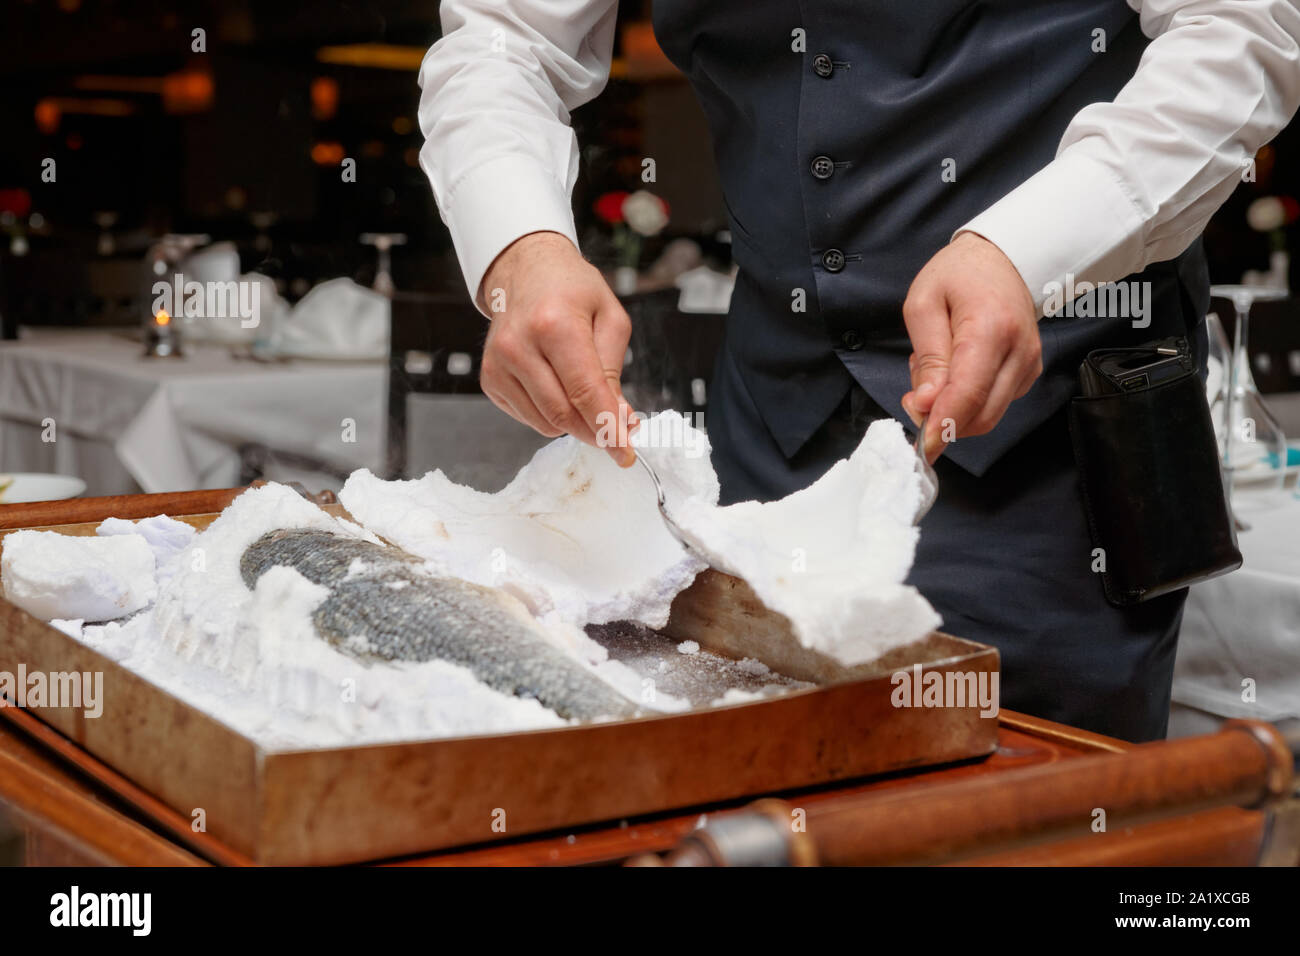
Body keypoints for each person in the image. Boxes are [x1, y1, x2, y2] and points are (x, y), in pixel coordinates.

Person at [418, 0, 1300, 741]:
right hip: (769, 414)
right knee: (746, 764)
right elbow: (507, 40)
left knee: (1026, 804)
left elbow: (1238, 28)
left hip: (1058, 433)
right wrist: (520, 246)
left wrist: (1034, 249)